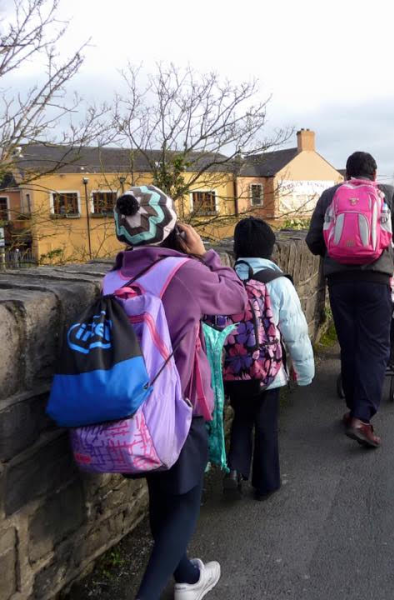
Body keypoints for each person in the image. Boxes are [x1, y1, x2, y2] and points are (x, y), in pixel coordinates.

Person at [112, 186, 248, 600]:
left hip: (135, 408)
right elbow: (236, 299)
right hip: (182, 406)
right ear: (172, 227)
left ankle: (187, 575)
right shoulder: (182, 273)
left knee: (161, 497)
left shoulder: (114, 278)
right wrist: (206, 254)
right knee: (186, 504)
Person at [306, 151, 394, 448]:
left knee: (351, 346)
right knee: (376, 347)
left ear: (346, 175)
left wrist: (336, 253)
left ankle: (354, 410)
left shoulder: (331, 195)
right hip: (376, 280)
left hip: (340, 283)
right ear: (375, 174)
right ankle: (362, 418)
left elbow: (313, 241)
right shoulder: (388, 193)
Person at [222, 217, 315, 500]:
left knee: (241, 417)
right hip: (268, 372)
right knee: (266, 426)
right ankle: (265, 484)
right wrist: (304, 370)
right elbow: (295, 331)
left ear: (237, 249)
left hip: (233, 370)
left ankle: (236, 467)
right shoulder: (278, 283)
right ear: (270, 250)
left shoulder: (225, 280)